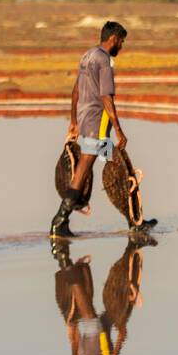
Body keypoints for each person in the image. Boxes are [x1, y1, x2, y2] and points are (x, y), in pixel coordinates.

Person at [50, 20, 127, 237]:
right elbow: (106, 97)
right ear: (113, 40)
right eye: (121, 42)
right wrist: (119, 130)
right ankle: (59, 221)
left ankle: (135, 221)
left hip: (85, 121)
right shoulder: (104, 61)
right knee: (85, 169)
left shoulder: (87, 56)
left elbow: (75, 90)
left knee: (118, 163)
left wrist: (74, 120)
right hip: (96, 125)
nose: (121, 46)